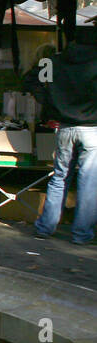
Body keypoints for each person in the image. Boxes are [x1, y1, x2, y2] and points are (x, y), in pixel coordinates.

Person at [31, 28, 97, 245]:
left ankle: (45, 227)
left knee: (59, 177)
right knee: (88, 183)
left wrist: (51, 108)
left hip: (65, 127)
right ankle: (81, 235)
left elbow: (34, 83)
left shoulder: (52, 61)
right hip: (92, 129)